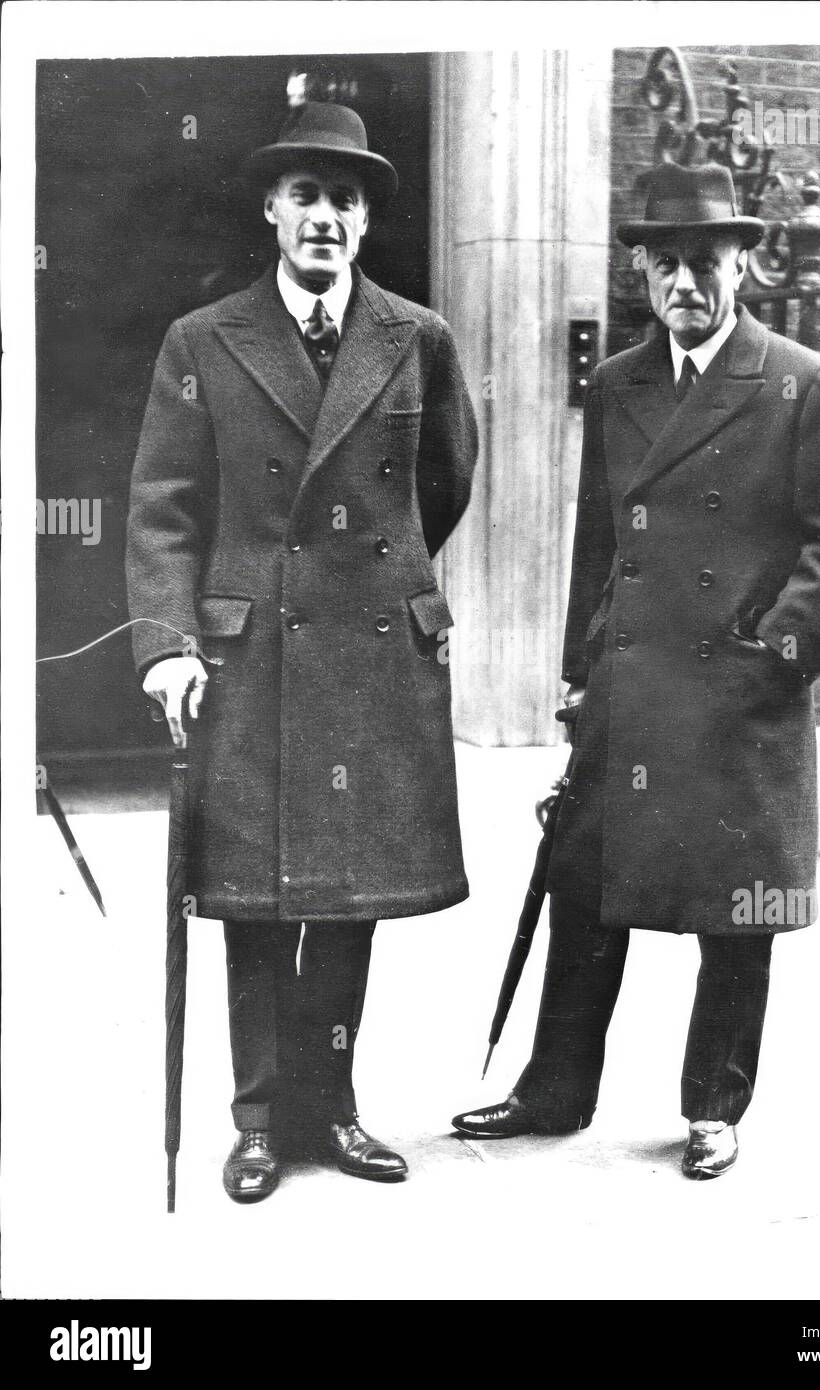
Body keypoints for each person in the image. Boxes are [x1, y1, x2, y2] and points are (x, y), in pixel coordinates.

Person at [452, 161, 820, 1178]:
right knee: (585, 892)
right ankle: (553, 1090)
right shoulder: (618, 383)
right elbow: (598, 544)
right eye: (664, 265)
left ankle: (713, 1107)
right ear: (642, 273)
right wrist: (575, 673)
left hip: (737, 699)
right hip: (631, 694)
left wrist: (765, 663)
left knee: (736, 914)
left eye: (703, 262)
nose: (684, 283)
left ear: (741, 264)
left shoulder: (803, 384)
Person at [127, 100, 477, 1202]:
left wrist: (380, 577)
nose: (326, 217)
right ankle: (260, 1122)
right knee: (248, 897)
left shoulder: (415, 338)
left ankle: (332, 1111)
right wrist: (169, 645)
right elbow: (164, 507)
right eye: (308, 195)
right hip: (251, 659)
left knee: (347, 893)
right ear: (274, 209)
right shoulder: (204, 340)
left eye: (347, 198)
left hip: (370, 654)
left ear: (366, 220)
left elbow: (443, 483)